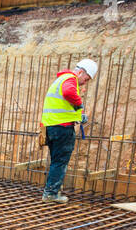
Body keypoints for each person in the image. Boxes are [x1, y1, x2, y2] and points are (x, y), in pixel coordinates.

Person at [39, 58, 98, 204]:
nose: (85, 82)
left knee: (56, 161)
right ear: (80, 72)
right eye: (86, 78)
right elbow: (68, 93)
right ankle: (51, 194)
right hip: (62, 128)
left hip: (51, 127)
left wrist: (78, 116)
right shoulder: (71, 79)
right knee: (60, 162)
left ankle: (52, 190)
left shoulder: (61, 79)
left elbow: (62, 103)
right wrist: (79, 106)